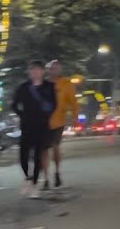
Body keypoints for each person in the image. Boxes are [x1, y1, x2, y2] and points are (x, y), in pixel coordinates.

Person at [12, 61, 56, 197]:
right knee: (23, 156)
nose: (35, 72)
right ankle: (28, 178)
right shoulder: (23, 87)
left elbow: (54, 104)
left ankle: (35, 185)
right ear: (29, 72)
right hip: (26, 125)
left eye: (38, 70)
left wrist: (45, 116)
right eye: (32, 70)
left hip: (42, 126)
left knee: (37, 155)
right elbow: (14, 104)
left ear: (43, 72)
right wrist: (22, 115)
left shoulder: (49, 87)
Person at [44, 59, 77, 190]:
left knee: (55, 146)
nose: (54, 71)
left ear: (60, 70)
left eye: (56, 68)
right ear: (47, 70)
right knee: (43, 151)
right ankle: (46, 179)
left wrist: (74, 117)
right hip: (43, 123)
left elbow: (73, 102)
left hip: (58, 122)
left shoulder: (65, 83)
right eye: (51, 68)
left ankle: (57, 172)